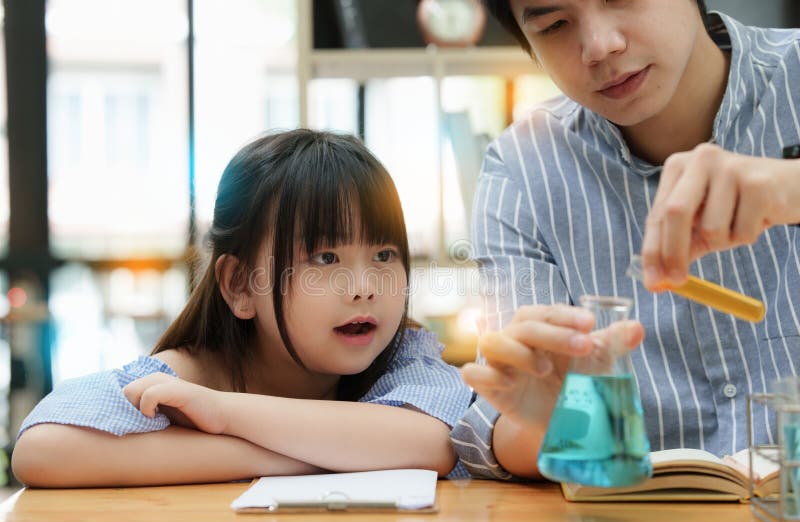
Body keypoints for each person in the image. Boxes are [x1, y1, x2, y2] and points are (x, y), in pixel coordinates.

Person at [451, 0, 800, 480]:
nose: (600, 47)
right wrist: (564, 418)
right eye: (554, 25)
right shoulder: (523, 171)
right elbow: (501, 422)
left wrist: (790, 187)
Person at [12, 129, 472, 487]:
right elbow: (42, 450)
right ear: (239, 285)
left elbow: (433, 442)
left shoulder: (404, 355)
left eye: (385, 255)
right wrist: (315, 455)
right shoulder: (190, 375)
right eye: (325, 258)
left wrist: (225, 415)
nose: (364, 287)